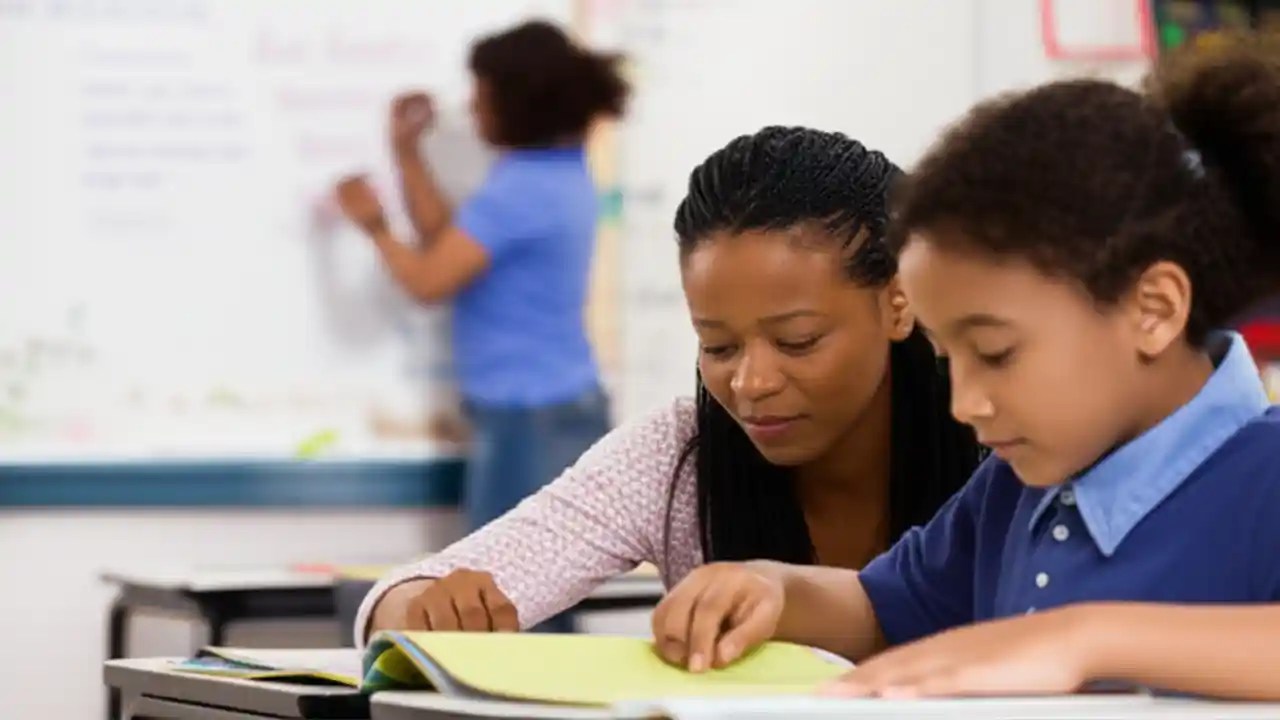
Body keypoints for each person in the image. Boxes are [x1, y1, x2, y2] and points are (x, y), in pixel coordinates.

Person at [651, 38, 1280, 700]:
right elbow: (880, 608)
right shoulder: (1018, 485)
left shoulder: (1264, 476)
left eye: (997, 354)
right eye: (949, 359)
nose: (964, 404)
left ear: (1152, 309)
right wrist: (774, 588)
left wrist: (1082, 640)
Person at [353, 126, 985, 646]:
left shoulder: (1000, 436)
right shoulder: (678, 456)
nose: (751, 382)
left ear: (899, 302)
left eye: (797, 341)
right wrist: (420, 609)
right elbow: (407, 596)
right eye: (718, 345)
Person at [334, 21, 627, 555]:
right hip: (549, 411)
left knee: (509, 600)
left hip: (532, 419)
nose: (471, 108)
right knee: (526, 597)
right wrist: (407, 154)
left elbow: (429, 280)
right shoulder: (551, 173)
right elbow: (447, 242)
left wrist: (374, 225)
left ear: (517, 103)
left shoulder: (522, 190)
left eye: (481, 94)